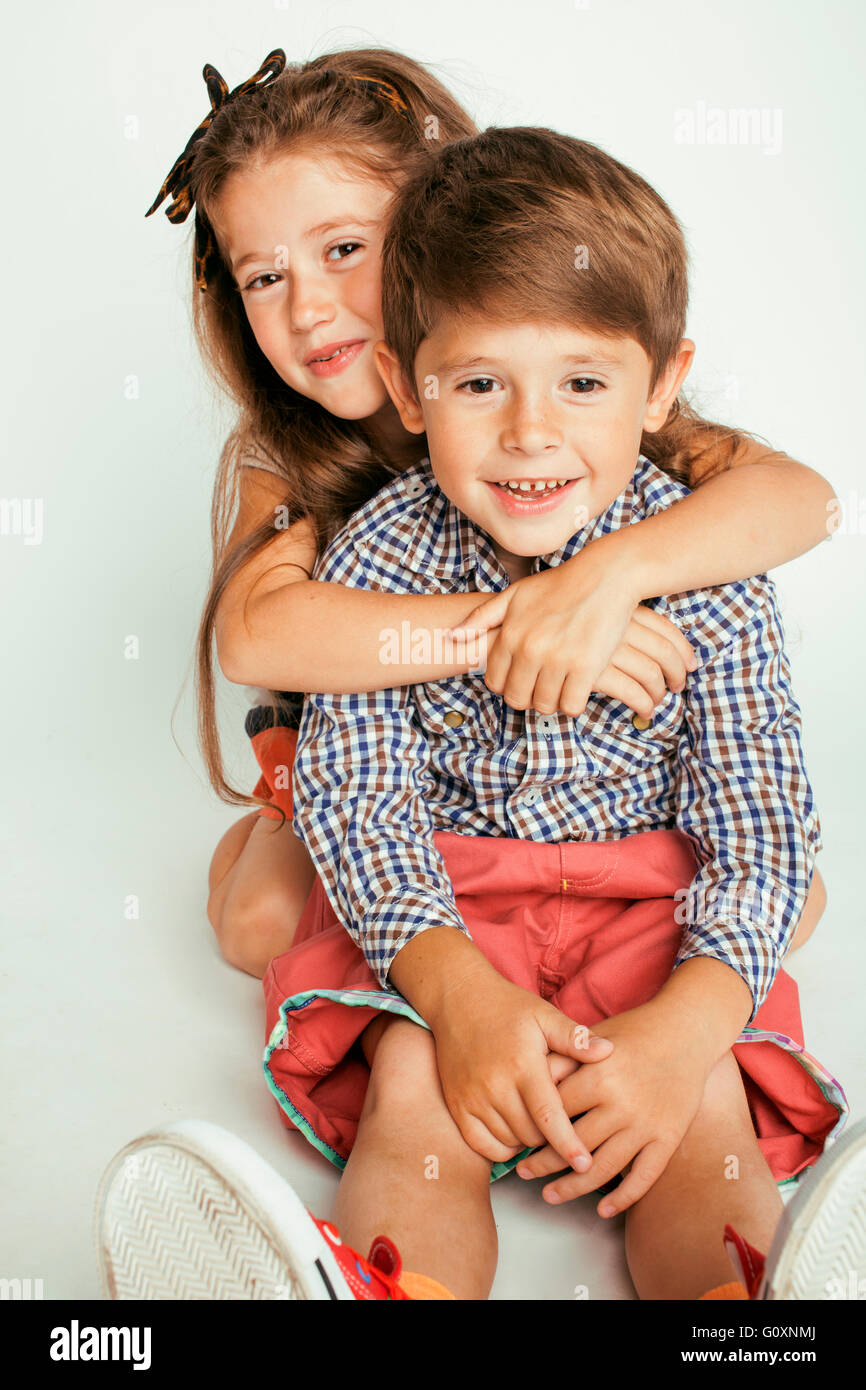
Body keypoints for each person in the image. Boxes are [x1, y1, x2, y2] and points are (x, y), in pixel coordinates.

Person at [247, 125, 847, 1301]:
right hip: (451, 898)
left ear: (662, 384)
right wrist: (455, 991)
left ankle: (748, 1307)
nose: (529, 431)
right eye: (478, 384)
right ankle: (385, 1286)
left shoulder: (702, 558)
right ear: (412, 390)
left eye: (581, 381)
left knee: (705, 1095)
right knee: (414, 1078)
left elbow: (760, 816)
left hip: (646, 905)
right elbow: (361, 802)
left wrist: (681, 1029)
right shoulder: (379, 552)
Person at [143, 47, 832, 980]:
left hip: (581, 765)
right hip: (380, 753)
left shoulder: (569, 400)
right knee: (262, 923)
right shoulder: (284, 450)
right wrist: (513, 627)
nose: (309, 309)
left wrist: (603, 582)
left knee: (790, 906)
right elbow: (257, 636)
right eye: (264, 277)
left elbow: (804, 499)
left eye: (344, 249)